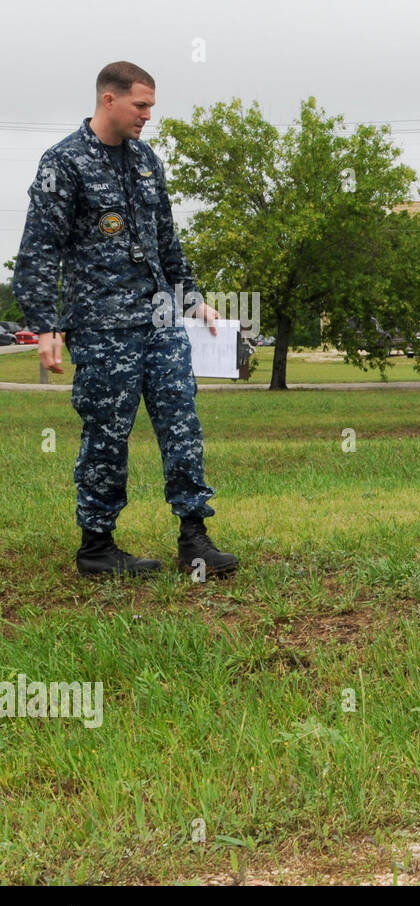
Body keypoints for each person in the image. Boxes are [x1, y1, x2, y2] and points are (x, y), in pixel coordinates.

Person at [13, 62, 237, 578]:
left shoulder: (144, 161)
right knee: (107, 434)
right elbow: (39, 250)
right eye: (141, 105)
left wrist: (193, 299)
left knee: (182, 425)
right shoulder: (63, 163)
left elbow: (166, 241)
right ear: (108, 100)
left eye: (152, 106)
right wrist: (45, 325)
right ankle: (97, 546)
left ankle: (194, 538)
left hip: (160, 321)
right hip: (101, 326)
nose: (148, 116)